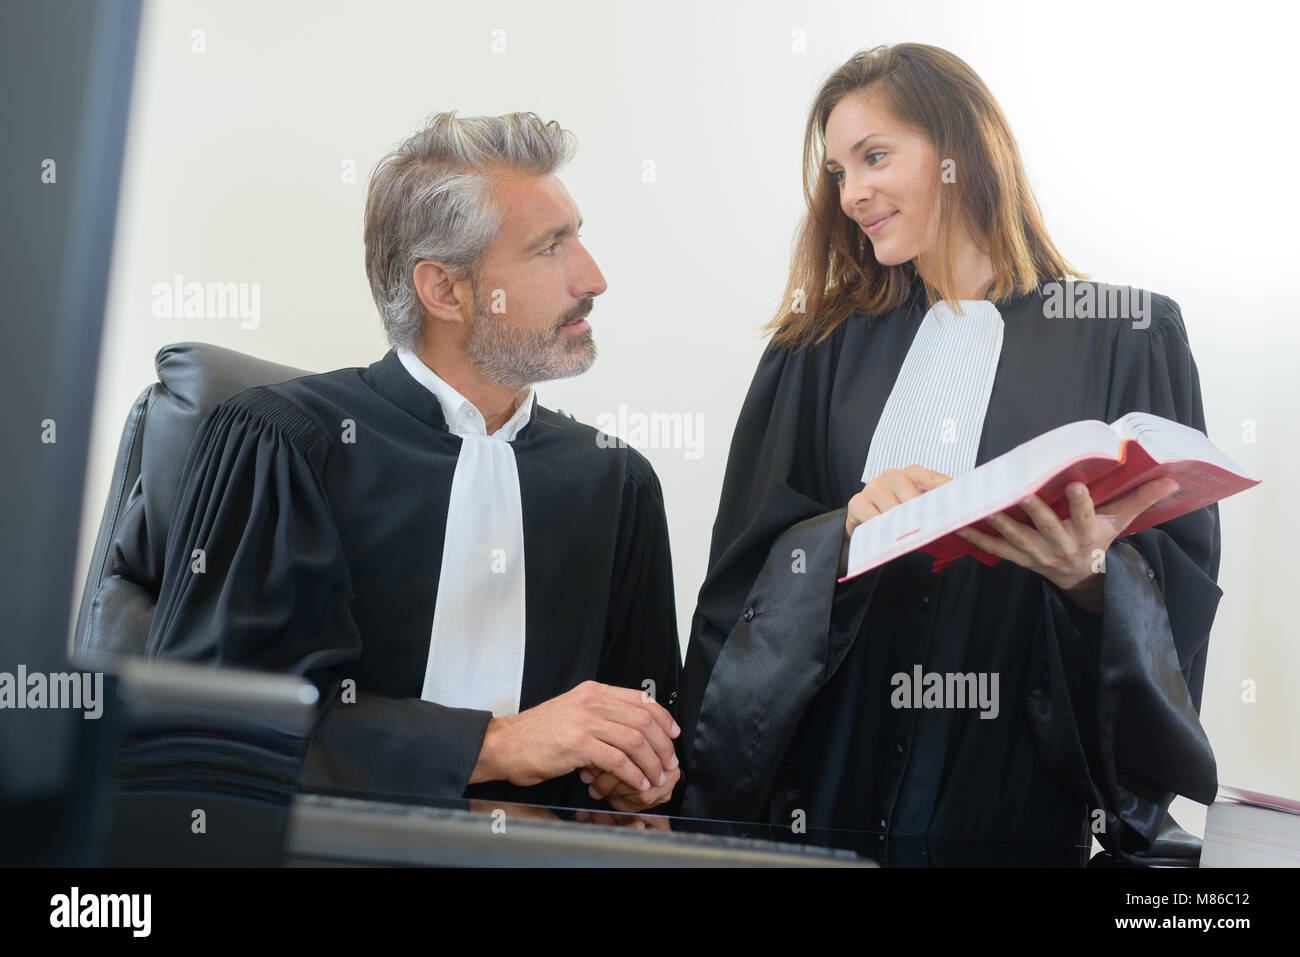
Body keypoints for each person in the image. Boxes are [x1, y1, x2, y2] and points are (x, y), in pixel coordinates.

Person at [668, 45, 1220, 865]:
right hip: (825, 800)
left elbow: (1178, 591)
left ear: (962, 151)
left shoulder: (1127, 336)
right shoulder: (813, 353)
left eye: (876, 156)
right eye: (838, 172)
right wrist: (839, 534)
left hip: (1012, 804)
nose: (853, 193)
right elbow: (737, 586)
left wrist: (1092, 581)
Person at [146, 112, 682, 814]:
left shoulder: (617, 484)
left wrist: (638, 774)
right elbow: (204, 735)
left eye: (578, 235)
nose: (593, 277)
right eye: (550, 248)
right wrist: (497, 743)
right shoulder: (282, 443)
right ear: (444, 290)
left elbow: (647, 758)